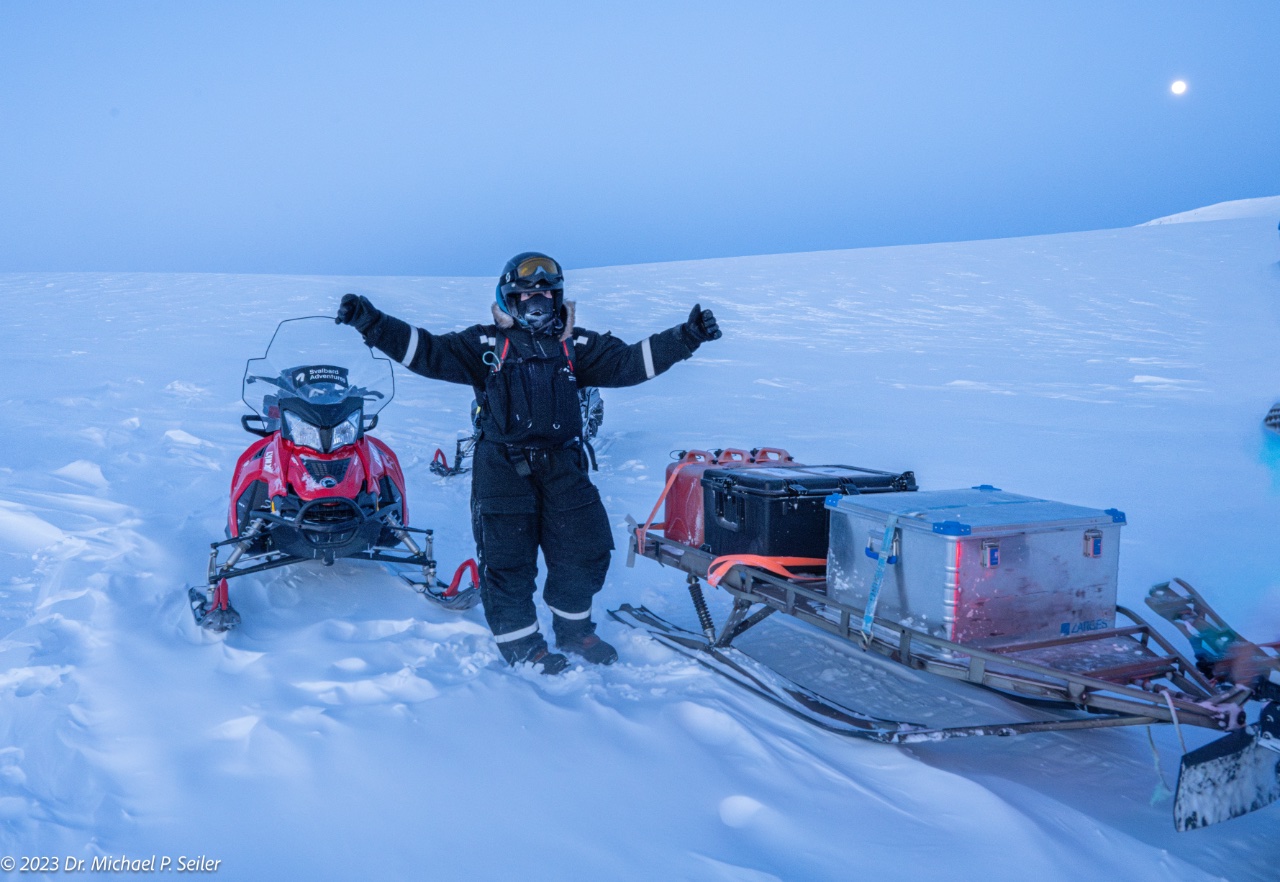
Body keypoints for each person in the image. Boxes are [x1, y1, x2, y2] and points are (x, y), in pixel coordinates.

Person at [336, 252, 721, 673]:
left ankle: (573, 631)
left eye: (545, 295)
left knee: (584, 551)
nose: (536, 303)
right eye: (526, 296)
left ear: (557, 299)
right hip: (502, 469)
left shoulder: (577, 345)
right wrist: (371, 322)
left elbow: (630, 363)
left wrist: (687, 337)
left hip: (564, 467)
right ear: (509, 298)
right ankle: (523, 647)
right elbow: (425, 351)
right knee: (508, 563)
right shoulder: (485, 344)